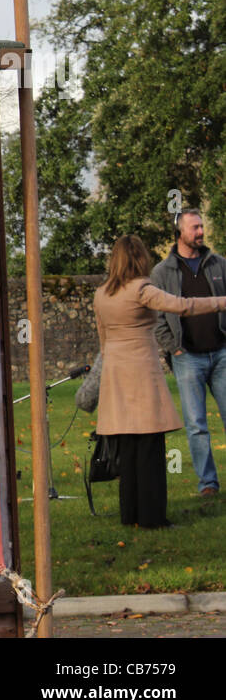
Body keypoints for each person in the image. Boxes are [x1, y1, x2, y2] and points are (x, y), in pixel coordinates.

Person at [94, 235, 226, 528]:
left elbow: (103, 340)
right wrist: (221, 302)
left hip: (115, 376)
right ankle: (152, 517)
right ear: (140, 258)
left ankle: (130, 515)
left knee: (128, 448)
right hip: (141, 375)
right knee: (149, 448)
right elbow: (183, 306)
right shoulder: (142, 289)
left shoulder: (101, 293)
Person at [151, 209, 226, 497]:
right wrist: (174, 348)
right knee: (196, 425)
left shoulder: (219, 265)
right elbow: (157, 318)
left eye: (201, 226)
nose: (201, 232)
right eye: (195, 227)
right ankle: (208, 484)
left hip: (221, 354)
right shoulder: (162, 272)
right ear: (179, 232)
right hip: (188, 358)